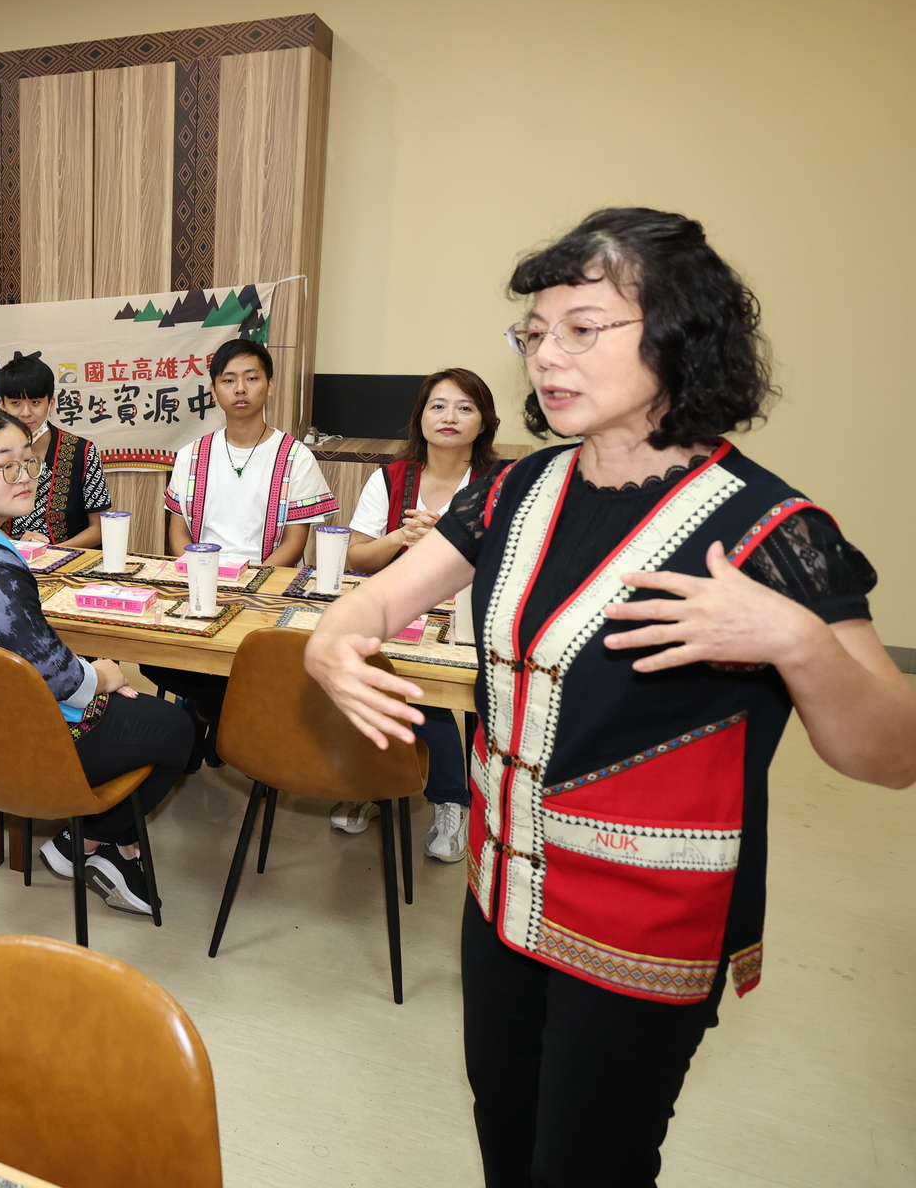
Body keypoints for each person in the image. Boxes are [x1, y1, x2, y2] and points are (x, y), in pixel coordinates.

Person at [304, 208, 916, 1188]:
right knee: (505, 1132)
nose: (548, 354)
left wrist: (794, 639)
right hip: (503, 895)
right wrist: (331, 642)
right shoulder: (514, 492)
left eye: (583, 327)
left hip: (645, 925)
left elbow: (891, 753)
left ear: (677, 335)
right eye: (535, 333)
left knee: (591, 1163)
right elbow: (380, 593)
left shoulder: (771, 525)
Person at [0, 407, 191, 915]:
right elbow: (54, 675)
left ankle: (93, 845)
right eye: (4, 465)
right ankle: (94, 841)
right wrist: (103, 675)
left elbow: (20, 650)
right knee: (178, 730)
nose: (23, 477)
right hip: (10, 738)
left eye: (28, 463)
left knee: (123, 698)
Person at [335, 368, 513, 859]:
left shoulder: (502, 483)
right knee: (395, 676)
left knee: (433, 688)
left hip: (474, 619)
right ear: (421, 418)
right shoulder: (391, 478)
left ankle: (453, 801)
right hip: (402, 613)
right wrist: (400, 538)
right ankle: (374, 785)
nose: (449, 417)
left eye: (464, 407)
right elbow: (358, 557)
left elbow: (517, 562)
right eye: (438, 406)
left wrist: (451, 544)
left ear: (484, 423)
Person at [144, 338, 338, 745]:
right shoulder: (192, 455)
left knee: (266, 658)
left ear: (270, 385)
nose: (240, 389)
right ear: (214, 390)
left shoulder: (295, 456)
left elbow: (295, 542)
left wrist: (249, 584)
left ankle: (205, 716)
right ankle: (218, 716)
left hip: (267, 588)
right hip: (201, 583)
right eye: (228, 380)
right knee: (151, 655)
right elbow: (176, 530)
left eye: (252, 378)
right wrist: (202, 573)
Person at [0, 354, 114, 548]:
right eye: (15, 403)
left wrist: (52, 553)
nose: (25, 413)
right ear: (2, 405)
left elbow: (100, 527)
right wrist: (16, 545)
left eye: (35, 402)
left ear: (51, 404)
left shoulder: (83, 452)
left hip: (70, 563)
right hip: (8, 557)